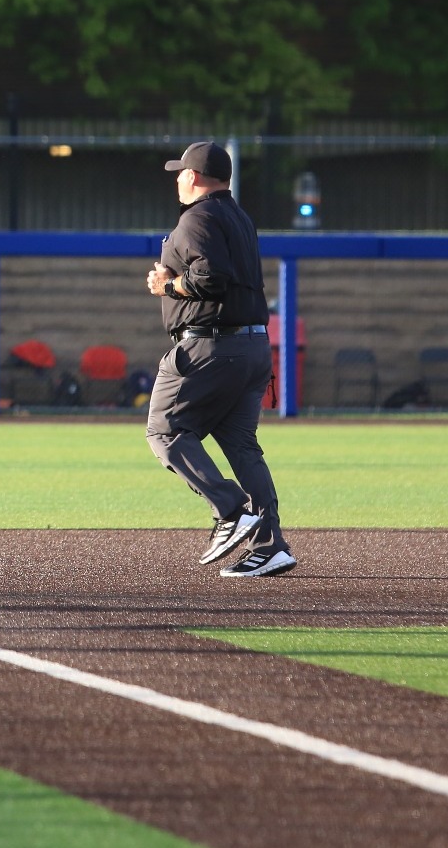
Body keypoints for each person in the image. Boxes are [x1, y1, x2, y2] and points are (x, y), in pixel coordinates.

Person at [143, 142, 295, 577]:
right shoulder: (238, 216)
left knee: (166, 431)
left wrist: (167, 286)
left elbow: (211, 277)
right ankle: (270, 545)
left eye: (180, 172)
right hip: (252, 348)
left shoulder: (199, 217)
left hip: (211, 347)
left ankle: (231, 511)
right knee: (242, 446)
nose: (177, 178)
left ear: (192, 177)